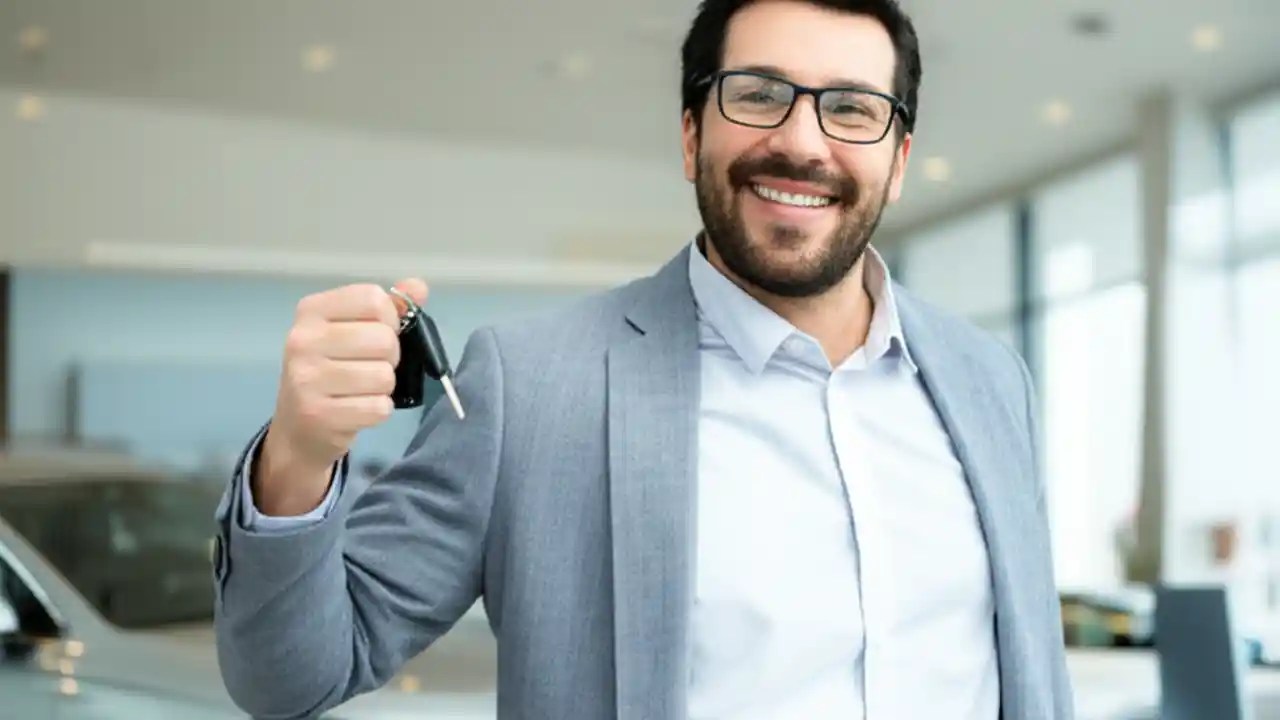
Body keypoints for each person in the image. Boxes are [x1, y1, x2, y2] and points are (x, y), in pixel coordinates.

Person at [210, 0, 1074, 717]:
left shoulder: (988, 379)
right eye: (760, 93)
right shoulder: (533, 385)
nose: (804, 142)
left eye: (851, 108)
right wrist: (297, 460)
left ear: (898, 161)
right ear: (693, 135)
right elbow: (295, 677)